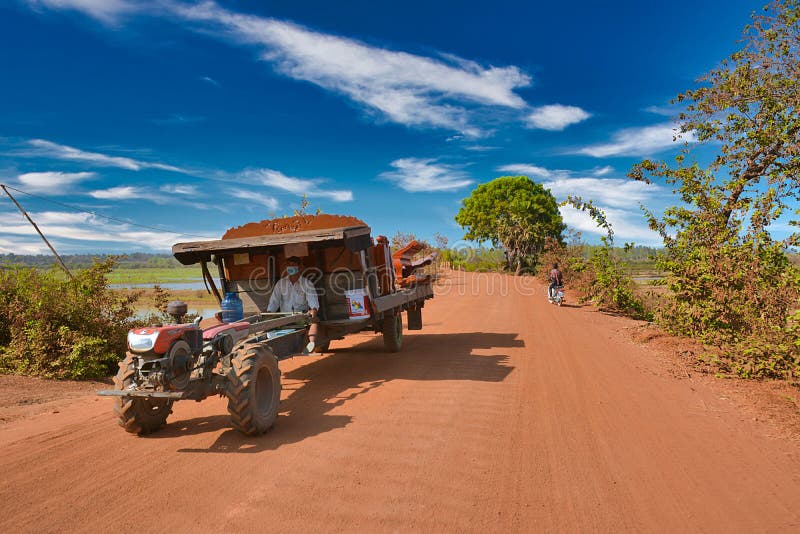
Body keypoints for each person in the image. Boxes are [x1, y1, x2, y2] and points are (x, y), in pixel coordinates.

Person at [266, 256, 320, 353]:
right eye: (289, 265)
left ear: (300, 267)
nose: (290, 267)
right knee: (270, 328)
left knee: (314, 320)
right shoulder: (281, 284)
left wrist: (313, 312)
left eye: (293, 265)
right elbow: (274, 302)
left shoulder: (306, 283)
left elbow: (313, 302)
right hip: (284, 318)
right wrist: (269, 315)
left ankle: (311, 343)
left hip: (301, 317)